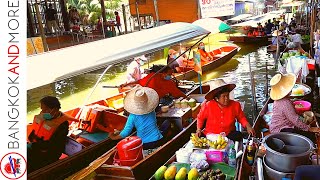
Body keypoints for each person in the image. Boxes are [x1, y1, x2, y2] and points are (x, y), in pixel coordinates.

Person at [269, 73, 320, 142]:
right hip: (280, 130)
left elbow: (290, 113)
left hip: (276, 127)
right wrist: (310, 129)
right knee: (309, 138)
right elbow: (295, 120)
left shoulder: (279, 100)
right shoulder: (285, 103)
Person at [27, 96, 72, 173]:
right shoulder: (44, 118)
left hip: (50, 153)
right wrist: (31, 141)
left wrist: (33, 145)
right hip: (37, 145)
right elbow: (34, 132)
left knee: (31, 163)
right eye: (41, 110)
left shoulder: (62, 125)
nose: (42, 112)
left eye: (44, 110)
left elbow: (52, 145)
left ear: (53, 109)